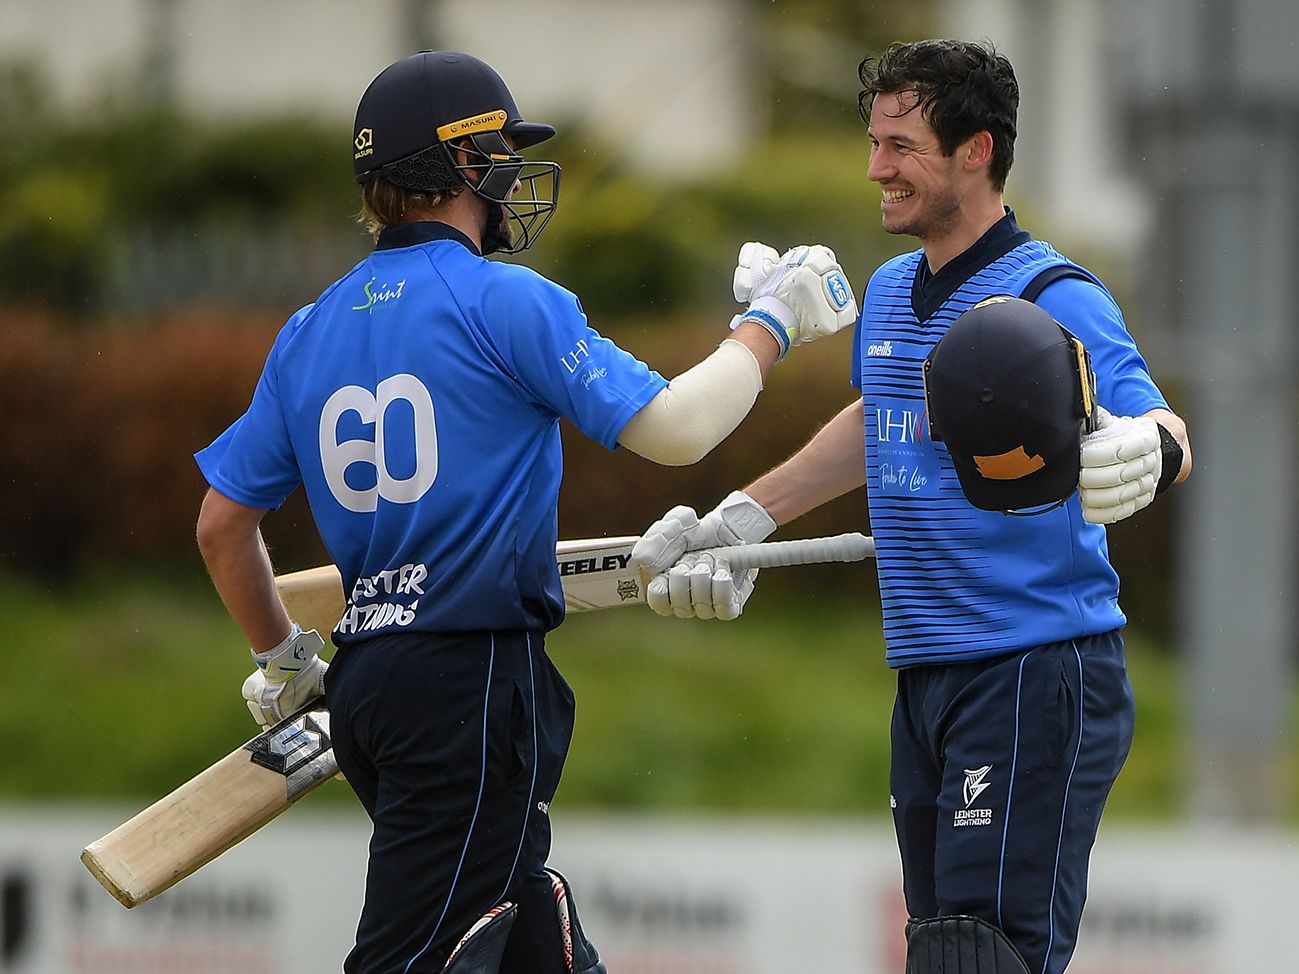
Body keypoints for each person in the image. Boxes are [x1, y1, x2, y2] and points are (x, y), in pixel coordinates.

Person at [192, 51, 856, 974]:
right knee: (417, 954)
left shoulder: (310, 328)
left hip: (369, 685)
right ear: (462, 166)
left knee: (525, 932)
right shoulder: (506, 301)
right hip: (471, 683)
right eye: (499, 149)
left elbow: (222, 526)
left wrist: (284, 660)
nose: (511, 170)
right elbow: (678, 431)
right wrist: (770, 324)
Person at [631, 39, 1192, 974]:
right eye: (875, 142)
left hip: (1032, 667)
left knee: (984, 955)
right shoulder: (891, 291)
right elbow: (883, 418)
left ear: (976, 151)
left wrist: (1154, 449)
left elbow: (1159, 424)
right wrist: (742, 517)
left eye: (901, 147)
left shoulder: (1053, 295)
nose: (875, 169)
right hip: (928, 669)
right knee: (943, 949)